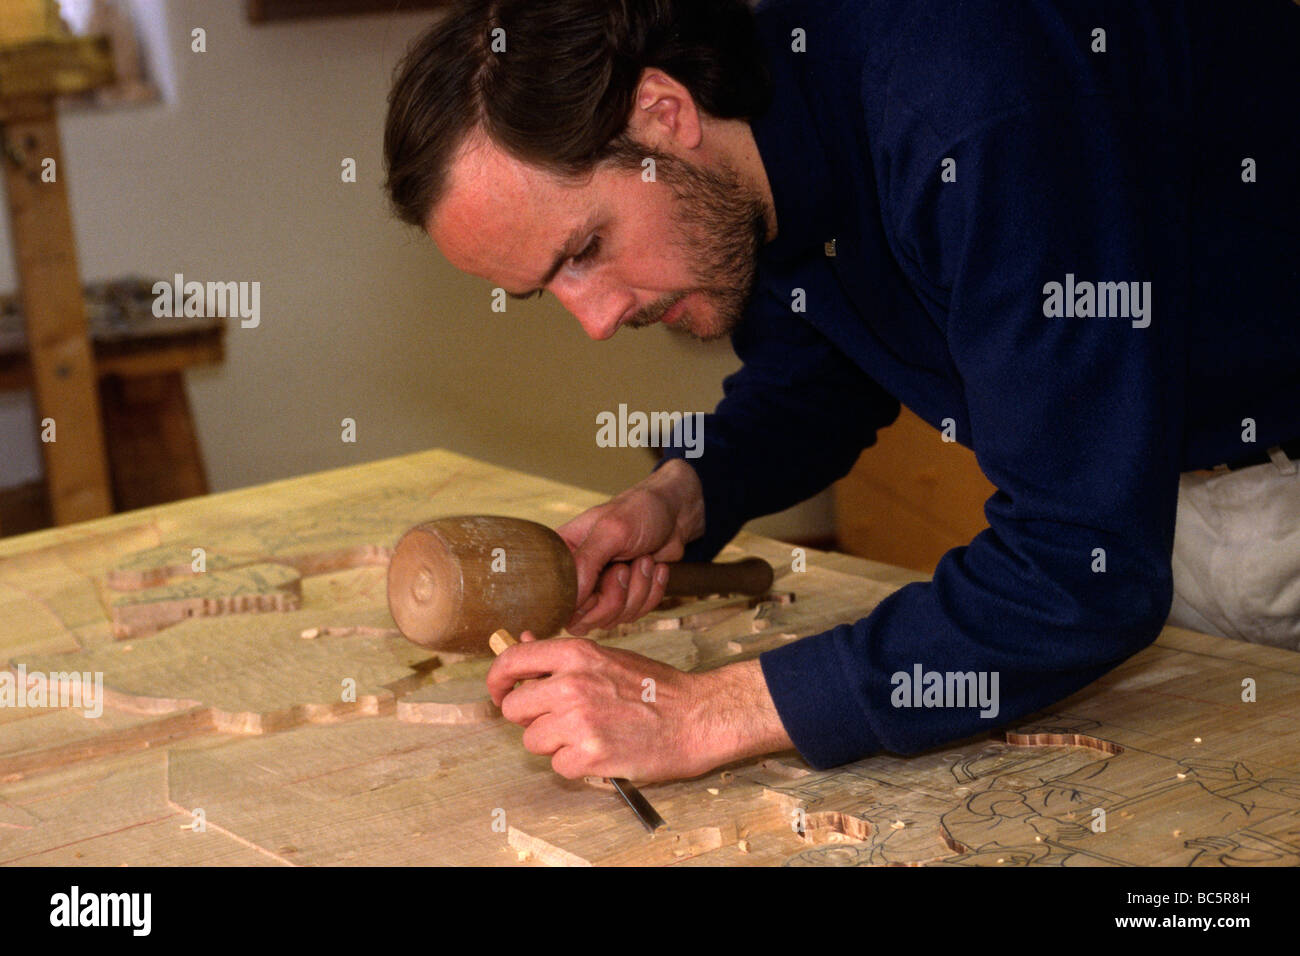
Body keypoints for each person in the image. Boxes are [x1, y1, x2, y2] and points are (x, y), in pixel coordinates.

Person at [383, 0, 1300, 781]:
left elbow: (1075, 565)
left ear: (661, 114)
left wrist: (704, 712)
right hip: (1170, 513)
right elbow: (824, 363)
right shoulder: (768, 126)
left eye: (585, 251)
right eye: (550, 291)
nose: (592, 320)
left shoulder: (976, 104)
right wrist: (685, 496)